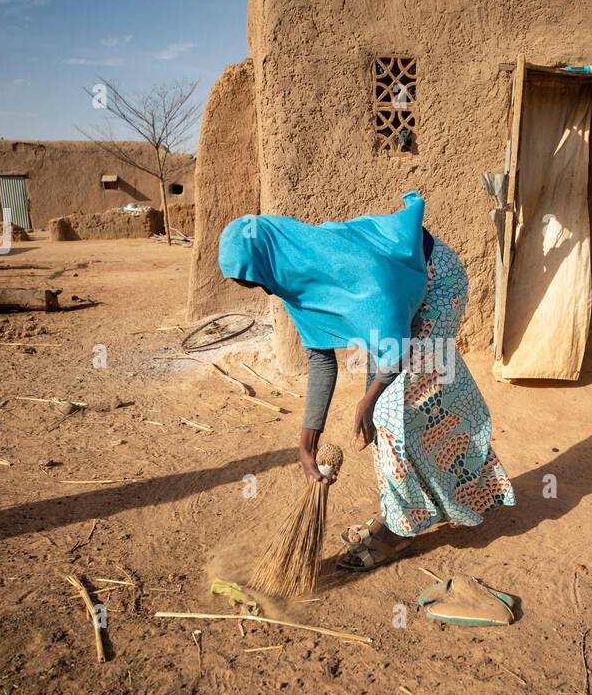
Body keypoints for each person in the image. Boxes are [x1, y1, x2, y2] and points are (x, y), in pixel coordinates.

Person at [219, 192, 514, 570]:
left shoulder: (339, 262)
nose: (265, 290)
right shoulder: (291, 275)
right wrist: (306, 443)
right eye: (256, 284)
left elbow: (389, 337)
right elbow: (321, 362)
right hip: (395, 300)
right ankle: (403, 513)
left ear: (268, 257)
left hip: (436, 284)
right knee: (385, 414)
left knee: (391, 412)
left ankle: (400, 530)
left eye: (257, 280)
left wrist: (370, 398)